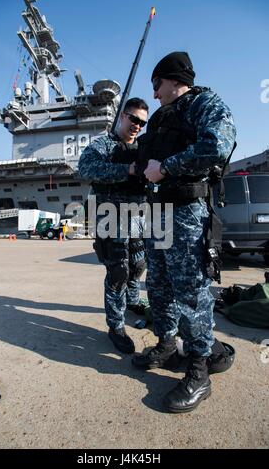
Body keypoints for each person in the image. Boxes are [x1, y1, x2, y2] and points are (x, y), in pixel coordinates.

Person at [132, 52, 236, 413]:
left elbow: (217, 147)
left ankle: (198, 369)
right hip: (157, 213)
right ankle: (166, 342)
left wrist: (168, 168)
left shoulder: (204, 104)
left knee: (192, 292)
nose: (155, 94)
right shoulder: (160, 117)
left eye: (157, 85)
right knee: (158, 284)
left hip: (187, 213)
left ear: (174, 80)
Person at [78, 98, 149, 354]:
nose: (137, 126)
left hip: (139, 216)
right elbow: (85, 168)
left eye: (142, 122)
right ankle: (116, 326)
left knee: (139, 264)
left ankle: (133, 301)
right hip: (111, 216)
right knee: (118, 270)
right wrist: (127, 169)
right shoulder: (103, 144)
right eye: (133, 119)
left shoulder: (144, 147)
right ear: (121, 117)